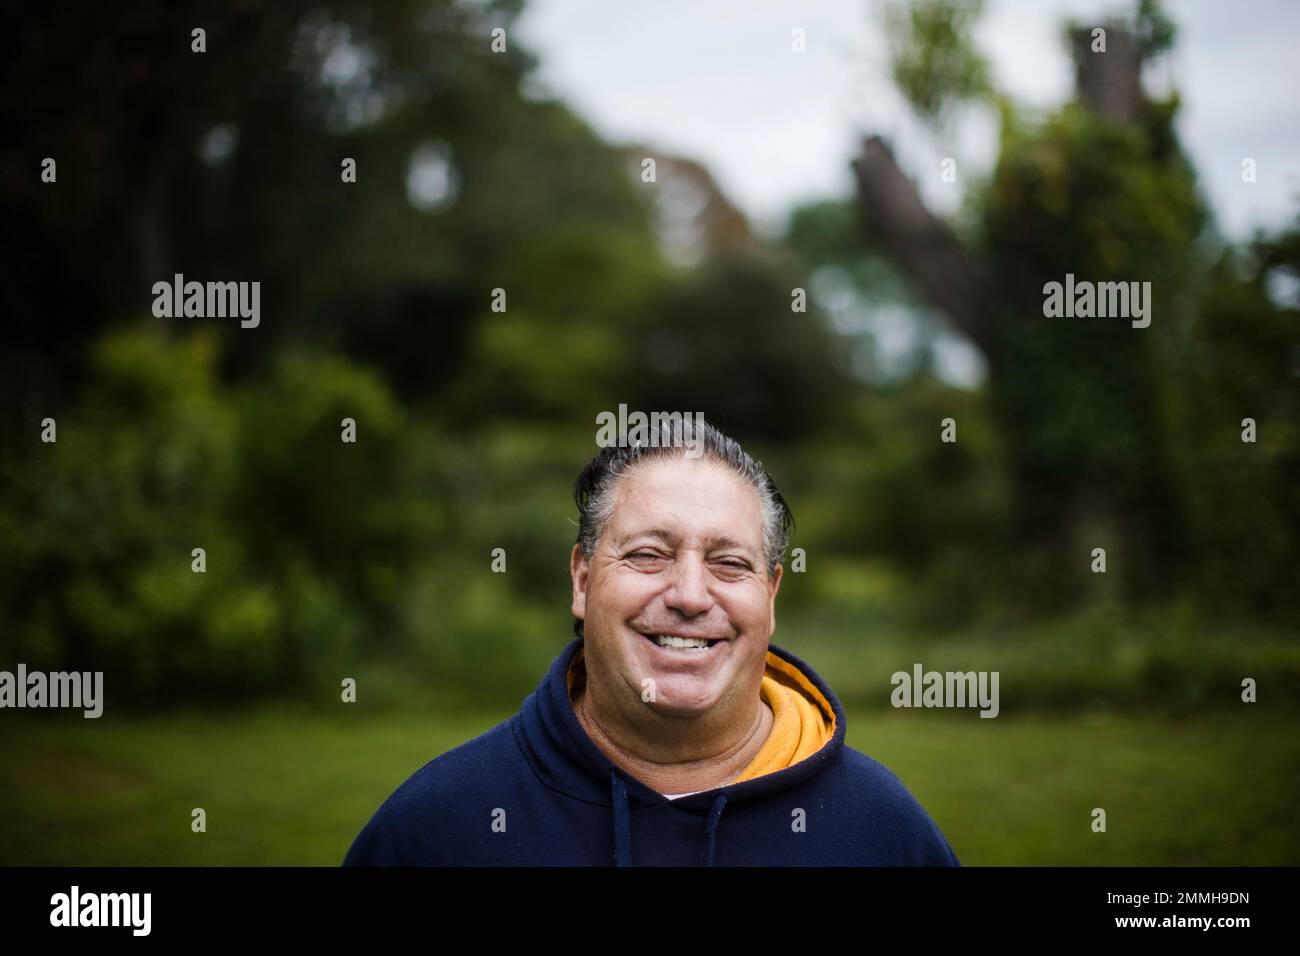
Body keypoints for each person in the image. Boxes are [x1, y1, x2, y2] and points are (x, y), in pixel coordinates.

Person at [343, 417, 960, 866]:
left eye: (729, 563)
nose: (690, 595)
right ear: (583, 581)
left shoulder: (883, 832)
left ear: (770, 597)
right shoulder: (439, 826)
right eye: (648, 554)